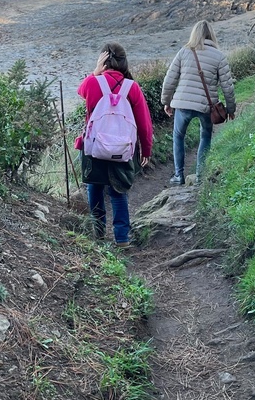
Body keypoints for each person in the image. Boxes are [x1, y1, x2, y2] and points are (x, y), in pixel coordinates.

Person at [78, 43, 153, 247]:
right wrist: (145, 149)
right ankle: (122, 238)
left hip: (95, 147)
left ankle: (98, 233)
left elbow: (80, 91)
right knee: (119, 191)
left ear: (104, 61)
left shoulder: (93, 83)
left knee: (94, 188)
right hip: (122, 149)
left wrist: (95, 71)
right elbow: (144, 124)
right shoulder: (133, 87)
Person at [161, 20, 236, 185]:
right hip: (206, 107)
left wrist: (166, 101)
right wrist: (230, 109)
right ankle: (200, 176)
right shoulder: (219, 56)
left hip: (183, 104)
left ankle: (178, 175)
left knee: (178, 136)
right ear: (212, 35)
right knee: (205, 136)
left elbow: (170, 80)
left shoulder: (184, 52)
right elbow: (228, 87)